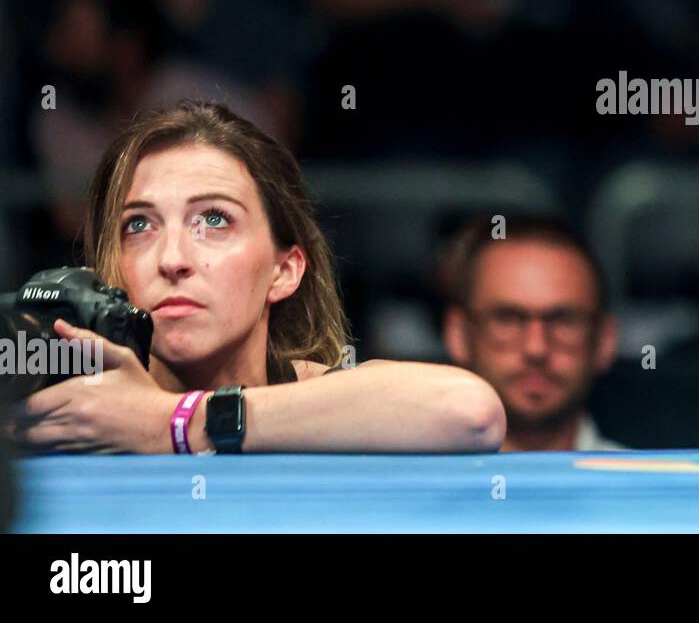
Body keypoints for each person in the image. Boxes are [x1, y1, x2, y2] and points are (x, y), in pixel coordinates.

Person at [7, 100, 505, 454]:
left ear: (284, 271)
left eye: (214, 220)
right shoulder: (61, 404)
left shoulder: (331, 398)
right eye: (139, 225)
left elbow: (470, 411)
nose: (173, 258)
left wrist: (173, 425)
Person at [443, 215, 624, 452]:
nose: (536, 348)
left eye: (564, 320)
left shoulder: (649, 486)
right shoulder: (411, 486)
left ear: (605, 340)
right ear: (458, 335)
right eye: (507, 319)